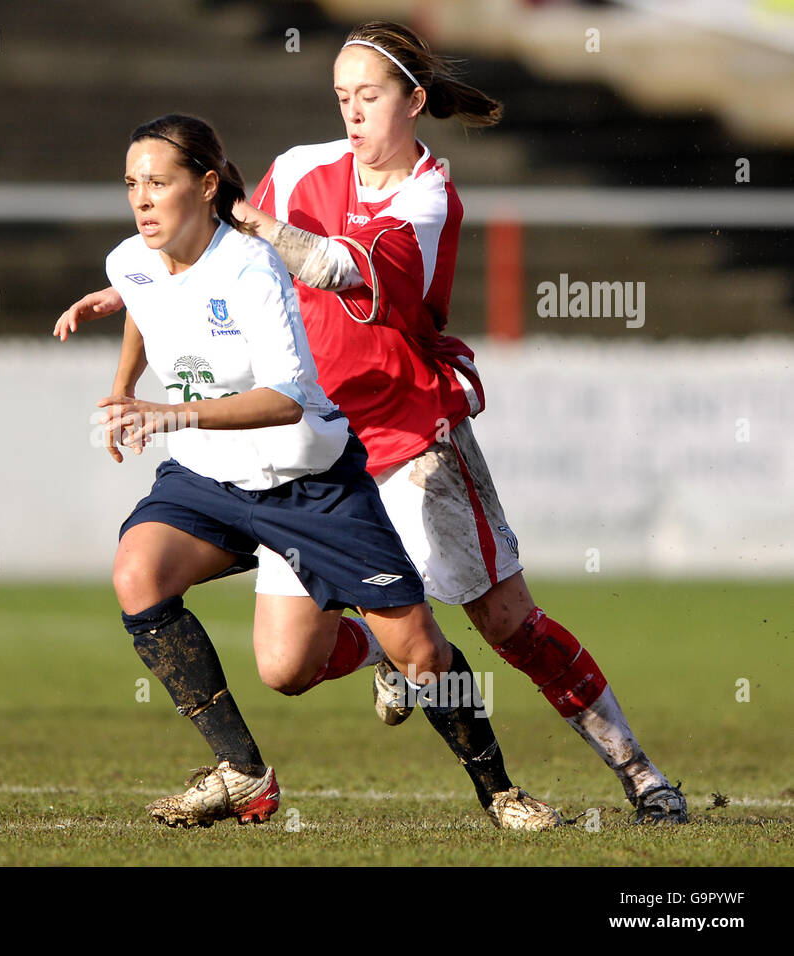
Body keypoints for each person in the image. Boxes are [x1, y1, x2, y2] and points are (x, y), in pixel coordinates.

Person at [58, 23, 685, 826]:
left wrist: (254, 227)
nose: (352, 113)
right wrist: (141, 287)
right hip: (310, 453)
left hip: (407, 438)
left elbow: (337, 266)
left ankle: (640, 775)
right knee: (285, 667)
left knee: (503, 622)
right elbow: (212, 249)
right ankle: (380, 654)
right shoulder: (302, 166)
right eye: (342, 97)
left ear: (414, 101)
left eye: (371, 96)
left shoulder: (427, 197)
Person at [84, 112, 558, 830]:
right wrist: (124, 388)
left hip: (307, 481)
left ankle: (499, 791)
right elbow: (144, 307)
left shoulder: (250, 269)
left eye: (159, 182)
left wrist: (167, 415)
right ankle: (242, 775)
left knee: (419, 650)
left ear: (208, 186)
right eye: (131, 184)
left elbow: (284, 401)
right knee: (139, 577)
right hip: (209, 480)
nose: (142, 198)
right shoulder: (131, 261)